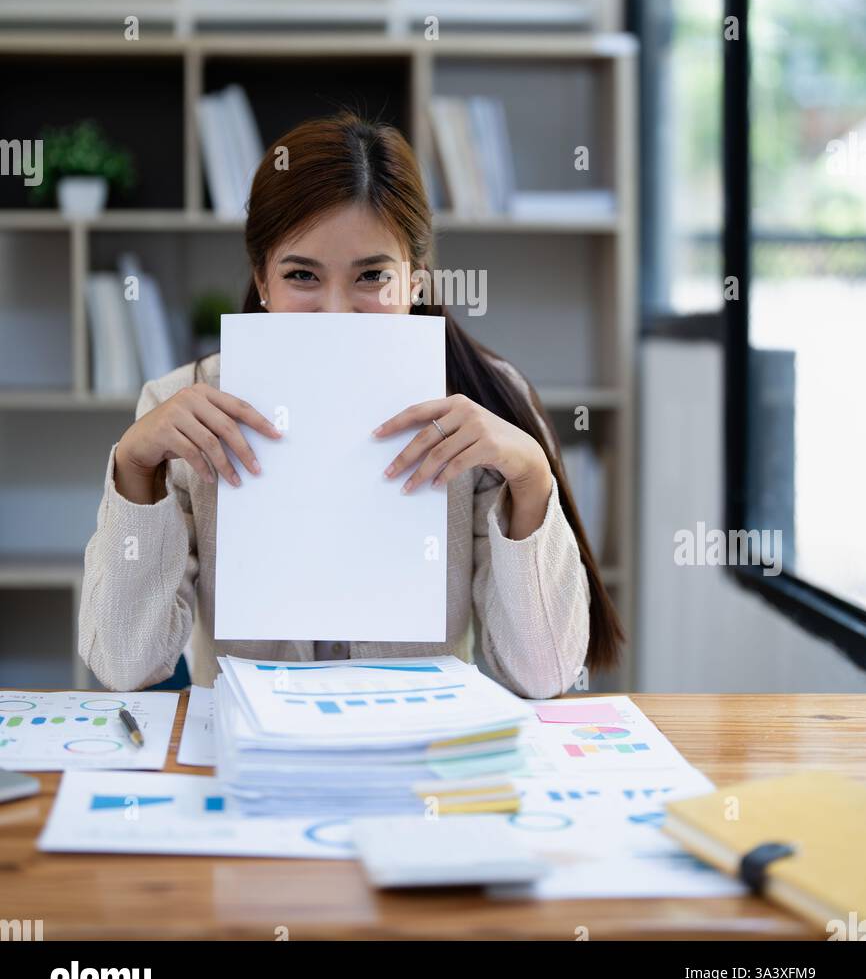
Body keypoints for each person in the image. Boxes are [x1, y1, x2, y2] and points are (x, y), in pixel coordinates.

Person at [80, 112, 624, 697]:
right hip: (253, 757)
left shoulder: (486, 405)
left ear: (416, 279)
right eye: (302, 275)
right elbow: (122, 664)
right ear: (262, 280)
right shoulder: (181, 408)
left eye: (371, 276)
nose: (336, 311)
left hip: (420, 753)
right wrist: (135, 467)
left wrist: (531, 475)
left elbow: (543, 676)